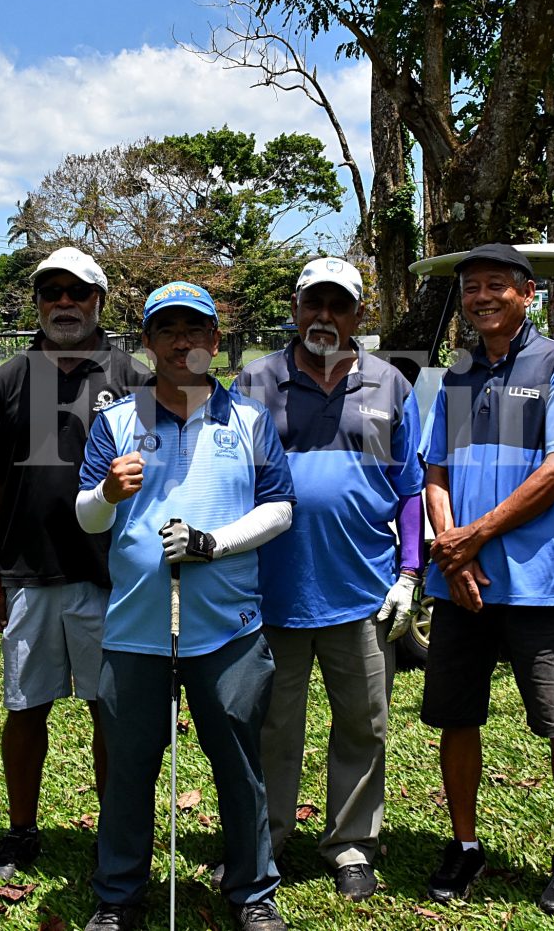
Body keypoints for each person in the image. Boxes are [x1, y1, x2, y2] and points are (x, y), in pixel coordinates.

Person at [74, 282, 297, 931]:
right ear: (148, 342)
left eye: (195, 330)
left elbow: (280, 507)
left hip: (227, 629)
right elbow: (87, 517)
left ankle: (254, 891)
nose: (182, 342)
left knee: (238, 765)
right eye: (167, 330)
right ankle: (118, 895)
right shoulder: (117, 421)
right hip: (138, 629)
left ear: (215, 341)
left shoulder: (248, 420)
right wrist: (109, 491)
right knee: (130, 768)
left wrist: (213, 543)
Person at [231, 256, 423, 902]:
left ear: (358, 315)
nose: (324, 316)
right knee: (273, 727)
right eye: (314, 302)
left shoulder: (390, 383)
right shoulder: (256, 379)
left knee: (363, 723)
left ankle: (351, 843)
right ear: (294, 307)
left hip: (363, 591)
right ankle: (269, 837)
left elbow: (412, 490)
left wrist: (410, 571)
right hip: (272, 591)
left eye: (339, 305)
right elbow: (229, 478)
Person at [0, 246, 151, 886]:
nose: (64, 304)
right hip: (28, 574)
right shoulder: (9, 380)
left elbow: (164, 476)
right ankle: (20, 832)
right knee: (26, 708)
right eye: (51, 293)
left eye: (78, 293)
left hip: (112, 576)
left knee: (109, 711)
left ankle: (115, 831)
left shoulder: (134, 378)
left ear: (100, 301)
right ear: (37, 302)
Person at [417, 243, 554, 915]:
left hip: (533, 582)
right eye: (471, 287)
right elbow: (434, 470)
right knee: (456, 718)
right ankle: (464, 844)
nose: (481, 296)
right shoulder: (459, 374)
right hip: (462, 583)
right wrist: (454, 552)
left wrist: (474, 537)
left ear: (528, 293)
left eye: (496, 285)